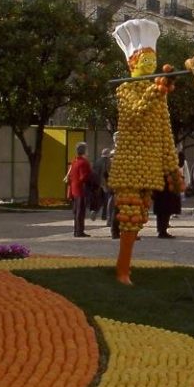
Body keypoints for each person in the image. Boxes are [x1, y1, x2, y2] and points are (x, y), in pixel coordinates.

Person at [109, 19, 182, 284]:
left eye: (153, 60)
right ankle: (122, 269)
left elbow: (165, 132)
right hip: (130, 166)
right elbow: (135, 112)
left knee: (140, 217)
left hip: (149, 167)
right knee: (129, 217)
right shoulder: (125, 89)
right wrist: (156, 90)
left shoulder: (159, 95)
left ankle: (125, 265)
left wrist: (172, 168)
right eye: (145, 60)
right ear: (132, 63)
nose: (150, 65)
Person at [67, 142, 92, 238]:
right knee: (80, 211)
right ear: (84, 151)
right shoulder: (84, 162)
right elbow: (84, 177)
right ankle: (79, 231)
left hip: (74, 189)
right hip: (81, 189)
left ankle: (76, 230)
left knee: (76, 211)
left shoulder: (74, 161)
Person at [91, 148, 112, 221]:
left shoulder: (97, 161)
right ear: (108, 154)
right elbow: (107, 173)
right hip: (105, 184)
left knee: (98, 200)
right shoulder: (108, 161)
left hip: (97, 183)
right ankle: (104, 216)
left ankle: (94, 211)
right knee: (106, 200)